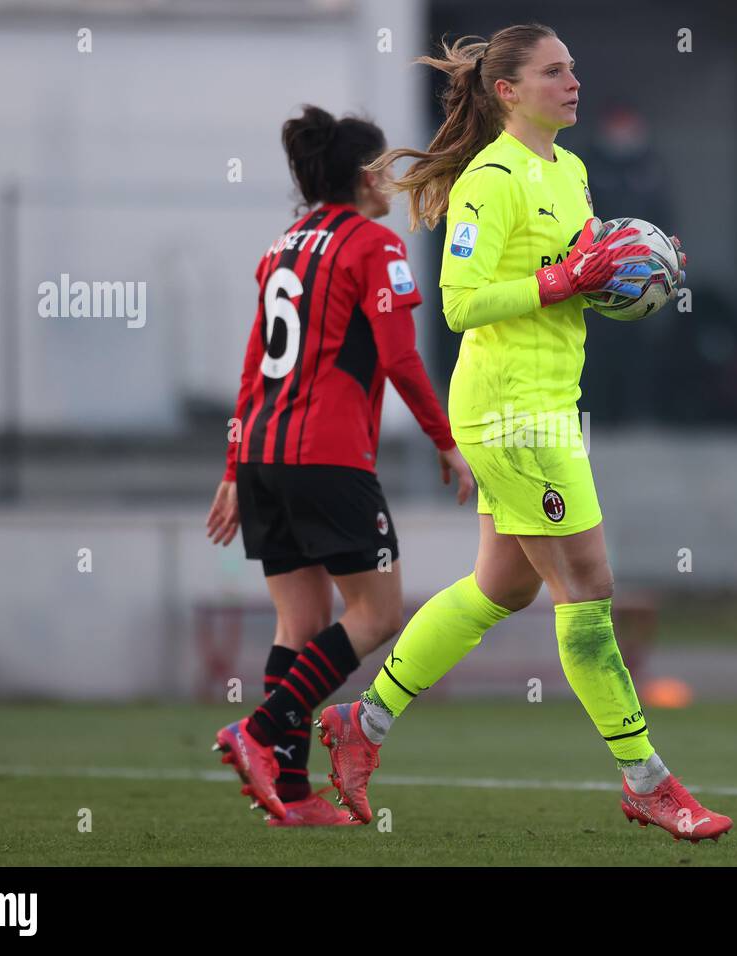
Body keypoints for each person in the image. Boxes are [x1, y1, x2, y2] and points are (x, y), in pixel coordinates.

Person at [315, 23, 732, 843]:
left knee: (505, 586)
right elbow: (462, 300)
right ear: (508, 90)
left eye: (574, 67)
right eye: (554, 71)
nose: (573, 81)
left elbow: (577, 271)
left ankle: (358, 726)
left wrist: (634, 265)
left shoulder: (571, 170)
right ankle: (647, 780)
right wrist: (563, 277)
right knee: (588, 587)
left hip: (550, 402)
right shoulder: (489, 178)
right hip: (508, 409)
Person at [206, 105, 474, 826]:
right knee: (378, 612)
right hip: (326, 455)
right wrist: (446, 439)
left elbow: (253, 365)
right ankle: (260, 733)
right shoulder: (372, 244)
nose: (394, 175)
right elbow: (398, 356)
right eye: (385, 164)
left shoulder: (281, 247)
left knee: (301, 622)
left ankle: (289, 796)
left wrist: (235, 467)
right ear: (363, 176)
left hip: (264, 452)